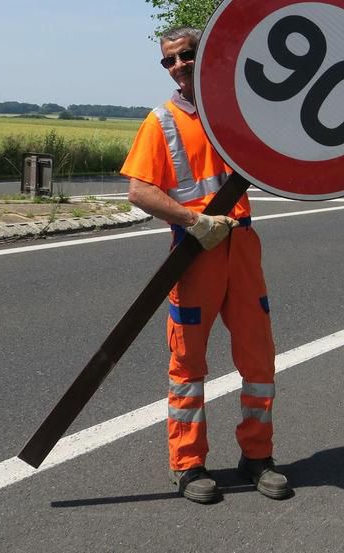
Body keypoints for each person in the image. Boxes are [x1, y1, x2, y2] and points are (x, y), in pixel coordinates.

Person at [120, 26, 292, 504]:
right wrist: (193, 221)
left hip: (242, 247)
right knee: (187, 364)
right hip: (193, 254)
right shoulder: (162, 121)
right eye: (169, 61)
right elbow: (139, 191)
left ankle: (258, 457)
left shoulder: (239, 114)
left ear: (209, 54)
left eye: (186, 55)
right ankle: (189, 464)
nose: (178, 66)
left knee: (259, 361)